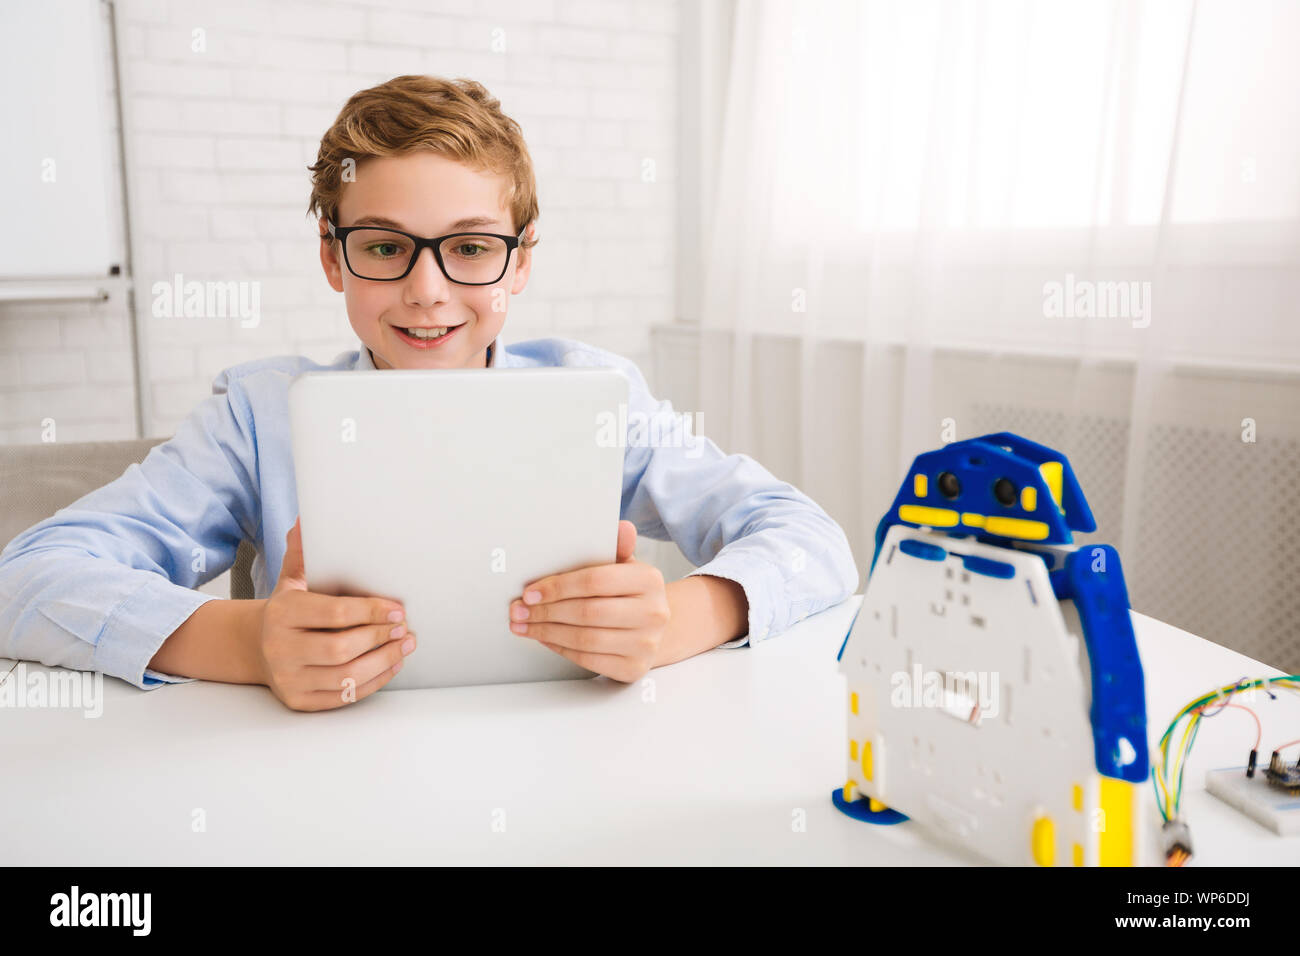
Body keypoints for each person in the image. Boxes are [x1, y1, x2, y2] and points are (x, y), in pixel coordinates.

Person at [0, 75, 858, 712]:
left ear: (519, 262)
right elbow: (27, 578)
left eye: (471, 248)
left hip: (560, 770)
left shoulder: (596, 397)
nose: (429, 291)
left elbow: (812, 541)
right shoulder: (257, 416)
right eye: (384, 248)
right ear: (334, 257)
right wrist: (252, 644)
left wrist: (671, 621)